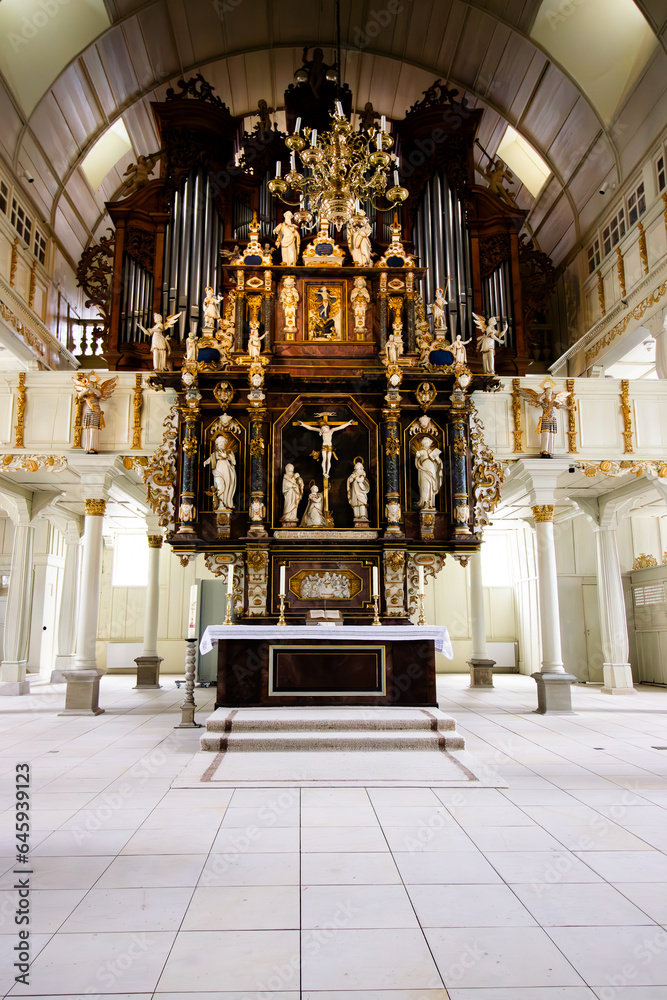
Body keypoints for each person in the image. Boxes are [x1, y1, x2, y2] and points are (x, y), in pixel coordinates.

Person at [203, 417, 237, 510]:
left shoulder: (229, 451)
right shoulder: (215, 453)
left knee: (227, 486)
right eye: (220, 442)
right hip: (218, 470)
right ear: (217, 444)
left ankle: (226, 502)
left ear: (226, 443)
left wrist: (228, 456)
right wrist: (206, 462)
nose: (221, 443)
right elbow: (210, 458)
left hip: (227, 470)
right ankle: (220, 504)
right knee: (220, 485)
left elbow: (234, 462)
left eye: (223, 441)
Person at [414, 435, 443, 509]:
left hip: (432, 468)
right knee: (425, 485)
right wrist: (417, 455)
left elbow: (439, 462)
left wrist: (437, 459)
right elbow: (418, 456)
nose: (426, 444)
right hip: (424, 468)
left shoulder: (431, 452)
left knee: (431, 484)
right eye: (425, 443)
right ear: (423, 444)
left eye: (428, 443)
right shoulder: (422, 451)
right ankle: (424, 502)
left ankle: (430, 503)